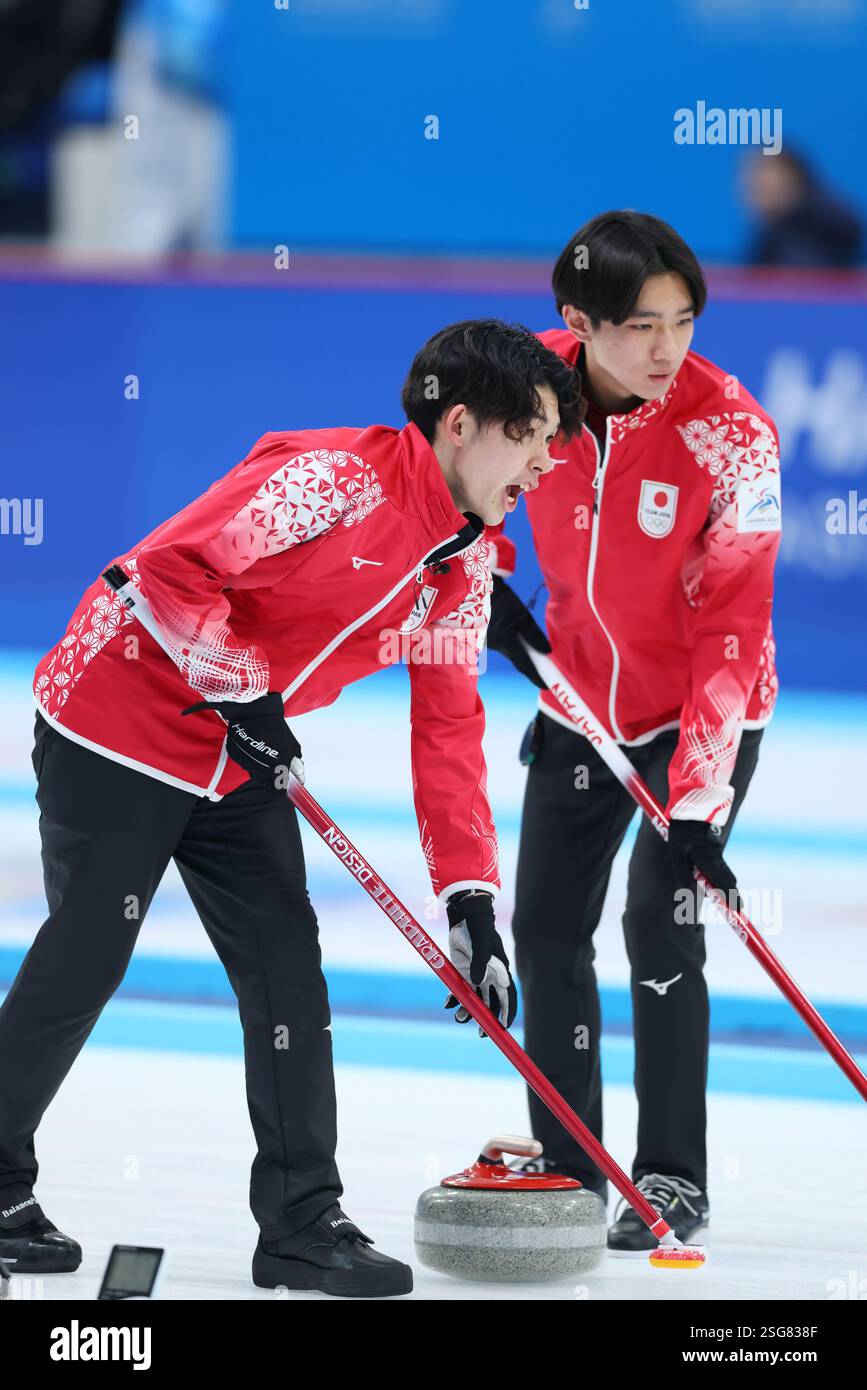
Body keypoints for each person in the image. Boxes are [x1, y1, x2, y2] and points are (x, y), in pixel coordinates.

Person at [0, 319, 581, 1298]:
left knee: (288, 976)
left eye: (554, 441)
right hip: (121, 715)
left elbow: (446, 733)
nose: (546, 461)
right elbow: (173, 569)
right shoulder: (331, 479)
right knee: (91, 948)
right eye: (530, 435)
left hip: (235, 754)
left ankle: (303, 1223)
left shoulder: (463, 566)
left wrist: (471, 901)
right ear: (459, 424)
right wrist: (240, 688)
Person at [486, 212, 782, 1252]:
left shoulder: (732, 432)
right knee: (543, 932)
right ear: (578, 323)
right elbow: (444, 491)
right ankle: (570, 1160)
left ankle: (669, 1172)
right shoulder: (523, 396)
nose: (669, 350)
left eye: (685, 322)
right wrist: (475, 572)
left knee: (662, 915)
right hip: (577, 702)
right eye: (642, 326)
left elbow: (737, 626)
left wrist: (698, 802)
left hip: (704, 709)